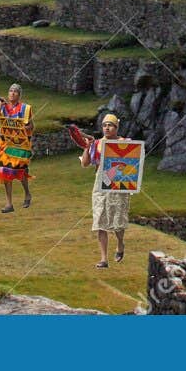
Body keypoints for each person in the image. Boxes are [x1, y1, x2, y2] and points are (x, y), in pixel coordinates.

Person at [69, 113, 132, 267]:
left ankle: (120, 243)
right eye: (104, 125)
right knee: (100, 220)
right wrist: (87, 147)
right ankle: (104, 259)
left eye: (110, 125)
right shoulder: (96, 143)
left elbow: (132, 163)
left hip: (118, 184)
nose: (107, 128)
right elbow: (85, 164)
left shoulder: (125, 142)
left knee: (118, 220)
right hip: (100, 185)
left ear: (116, 127)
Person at [0, 82, 33, 211]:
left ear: (19, 95)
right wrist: (0, 106)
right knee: (5, 172)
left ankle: (27, 193)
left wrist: (22, 129)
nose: (12, 93)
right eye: (11, 91)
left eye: (15, 91)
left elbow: (31, 126)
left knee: (20, 171)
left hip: (20, 146)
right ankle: (9, 204)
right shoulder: (3, 107)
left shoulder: (25, 108)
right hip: (5, 145)